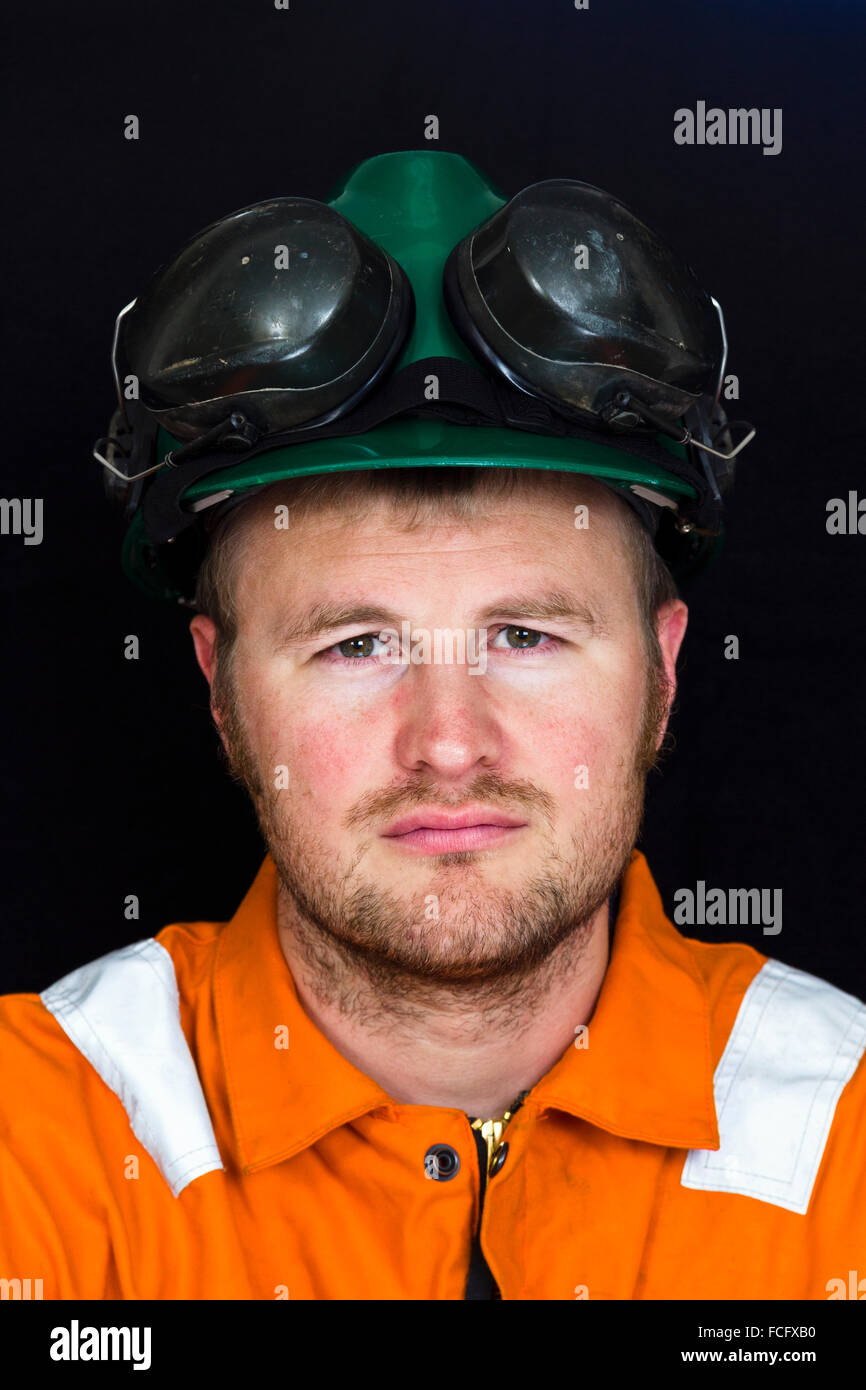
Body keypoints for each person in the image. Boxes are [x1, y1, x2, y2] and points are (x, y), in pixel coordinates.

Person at [1, 150, 863, 1302]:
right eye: (355, 645)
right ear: (219, 690)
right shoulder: (40, 1125)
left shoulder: (844, 1130)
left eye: (526, 637)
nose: (449, 743)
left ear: (660, 667)